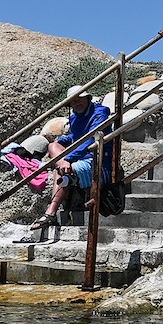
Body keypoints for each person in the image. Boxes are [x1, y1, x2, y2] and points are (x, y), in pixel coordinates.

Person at [31, 87, 114, 231]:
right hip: (79, 159)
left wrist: (67, 159)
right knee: (53, 146)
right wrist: (63, 141)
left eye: (80, 99)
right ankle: (64, 168)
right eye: (73, 101)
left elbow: (89, 140)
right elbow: (77, 137)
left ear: (88, 98)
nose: (77, 103)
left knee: (62, 170)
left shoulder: (99, 114)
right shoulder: (75, 117)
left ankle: (51, 212)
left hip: (98, 164)